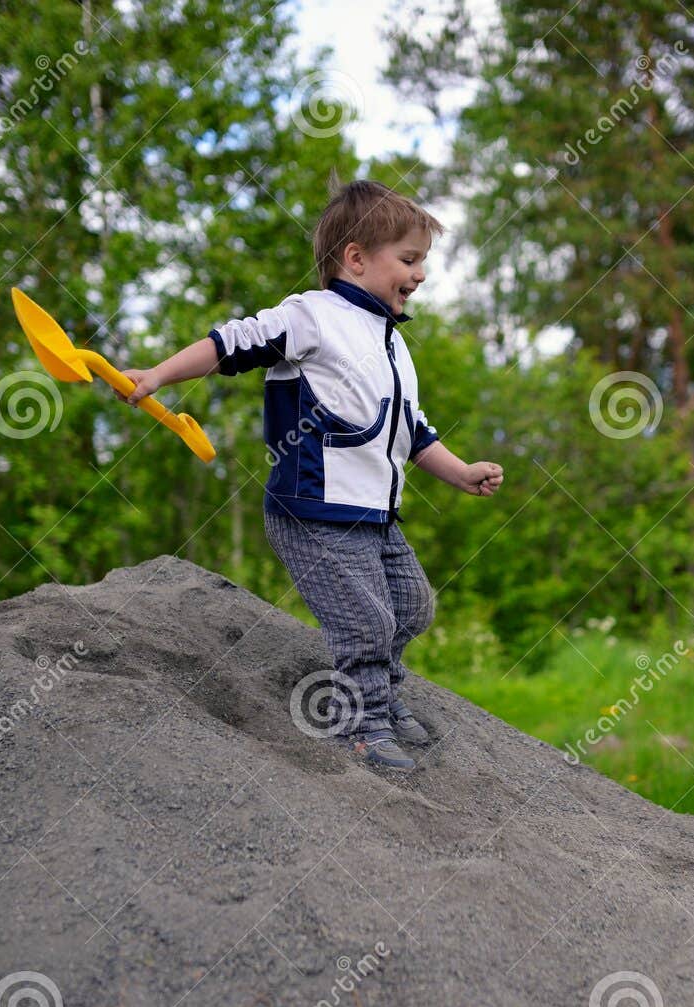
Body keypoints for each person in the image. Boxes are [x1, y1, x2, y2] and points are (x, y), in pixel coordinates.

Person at [120, 179, 503, 770]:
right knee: (365, 619)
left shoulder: (394, 347)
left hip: (375, 515)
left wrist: (460, 473)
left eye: (423, 261)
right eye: (409, 259)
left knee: (412, 608)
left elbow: (413, 430)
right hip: (313, 508)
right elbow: (232, 343)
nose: (421, 274)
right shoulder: (312, 316)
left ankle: (383, 694)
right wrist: (158, 376)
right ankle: (361, 723)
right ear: (355, 259)